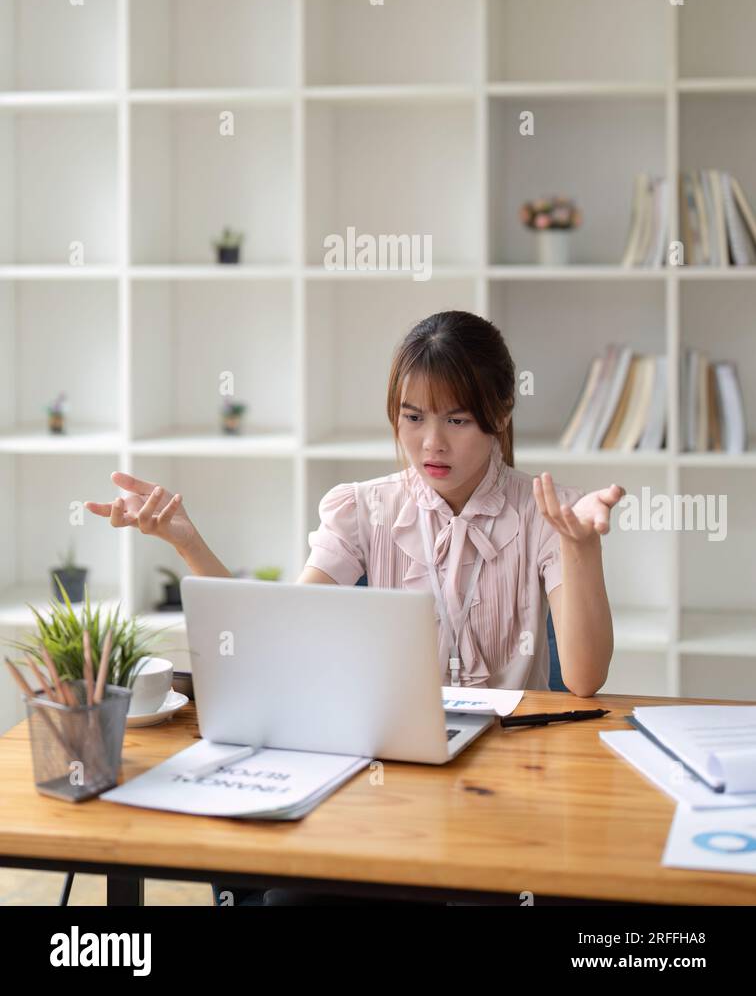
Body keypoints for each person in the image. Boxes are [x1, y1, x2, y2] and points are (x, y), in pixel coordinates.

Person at [85, 309, 622, 905]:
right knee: (295, 898)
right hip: (385, 775)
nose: (430, 442)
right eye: (412, 417)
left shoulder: (549, 514)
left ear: (498, 414)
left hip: (506, 785)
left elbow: (584, 677)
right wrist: (187, 540)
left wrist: (582, 551)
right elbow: (275, 642)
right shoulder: (363, 509)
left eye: (457, 419)